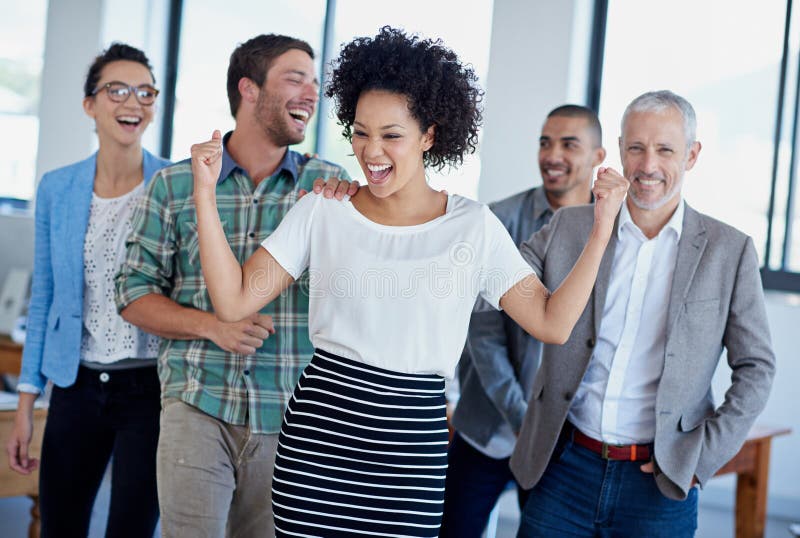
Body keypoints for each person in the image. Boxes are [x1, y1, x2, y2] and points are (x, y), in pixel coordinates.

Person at [190, 27, 628, 537]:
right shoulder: (322, 211)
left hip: (411, 449)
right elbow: (232, 299)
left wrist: (600, 231)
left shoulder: (473, 226)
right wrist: (204, 190)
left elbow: (553, 323)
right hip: (319, 439)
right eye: (360, 132)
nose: (371, 151)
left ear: (430, 135)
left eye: (391, 135)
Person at [114, 34, 354, 538]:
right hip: (197, 401)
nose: (312, 93)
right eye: (296, 78)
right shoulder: (175, 185)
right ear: (248, 88)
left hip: (292, 418)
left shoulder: (328, 188)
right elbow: (133, 293)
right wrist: (212, 327)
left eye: (315, 81)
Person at [511, 90, 776, 537]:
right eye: (636, 148)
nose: (647, 165)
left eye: (665, 149)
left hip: (659, 485)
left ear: (692, 155)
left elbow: (757, 367)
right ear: (619, 150)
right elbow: (499, 281)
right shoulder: (570, 226)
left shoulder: (730, 250)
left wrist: (700, 458)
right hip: (564, 467)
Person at [5, 43, 170, 537]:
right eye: (117, 89)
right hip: (74, 384)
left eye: (145, 92)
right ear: (90, 105)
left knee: (132, 530)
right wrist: (26, 406)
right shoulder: (58, 187)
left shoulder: (174, 182)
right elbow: (45, 299)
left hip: (151, 389)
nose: (133, 102)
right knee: (60, 526)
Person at [441, 105, 606, 537]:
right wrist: (525, 417)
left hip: (562, 440)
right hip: (487, 426)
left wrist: (548, 426)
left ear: (598, 156)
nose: (553, 154)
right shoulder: (498, 219)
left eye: (569, 144)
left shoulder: (607, 231)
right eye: (545, 142)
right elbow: (484, 335)